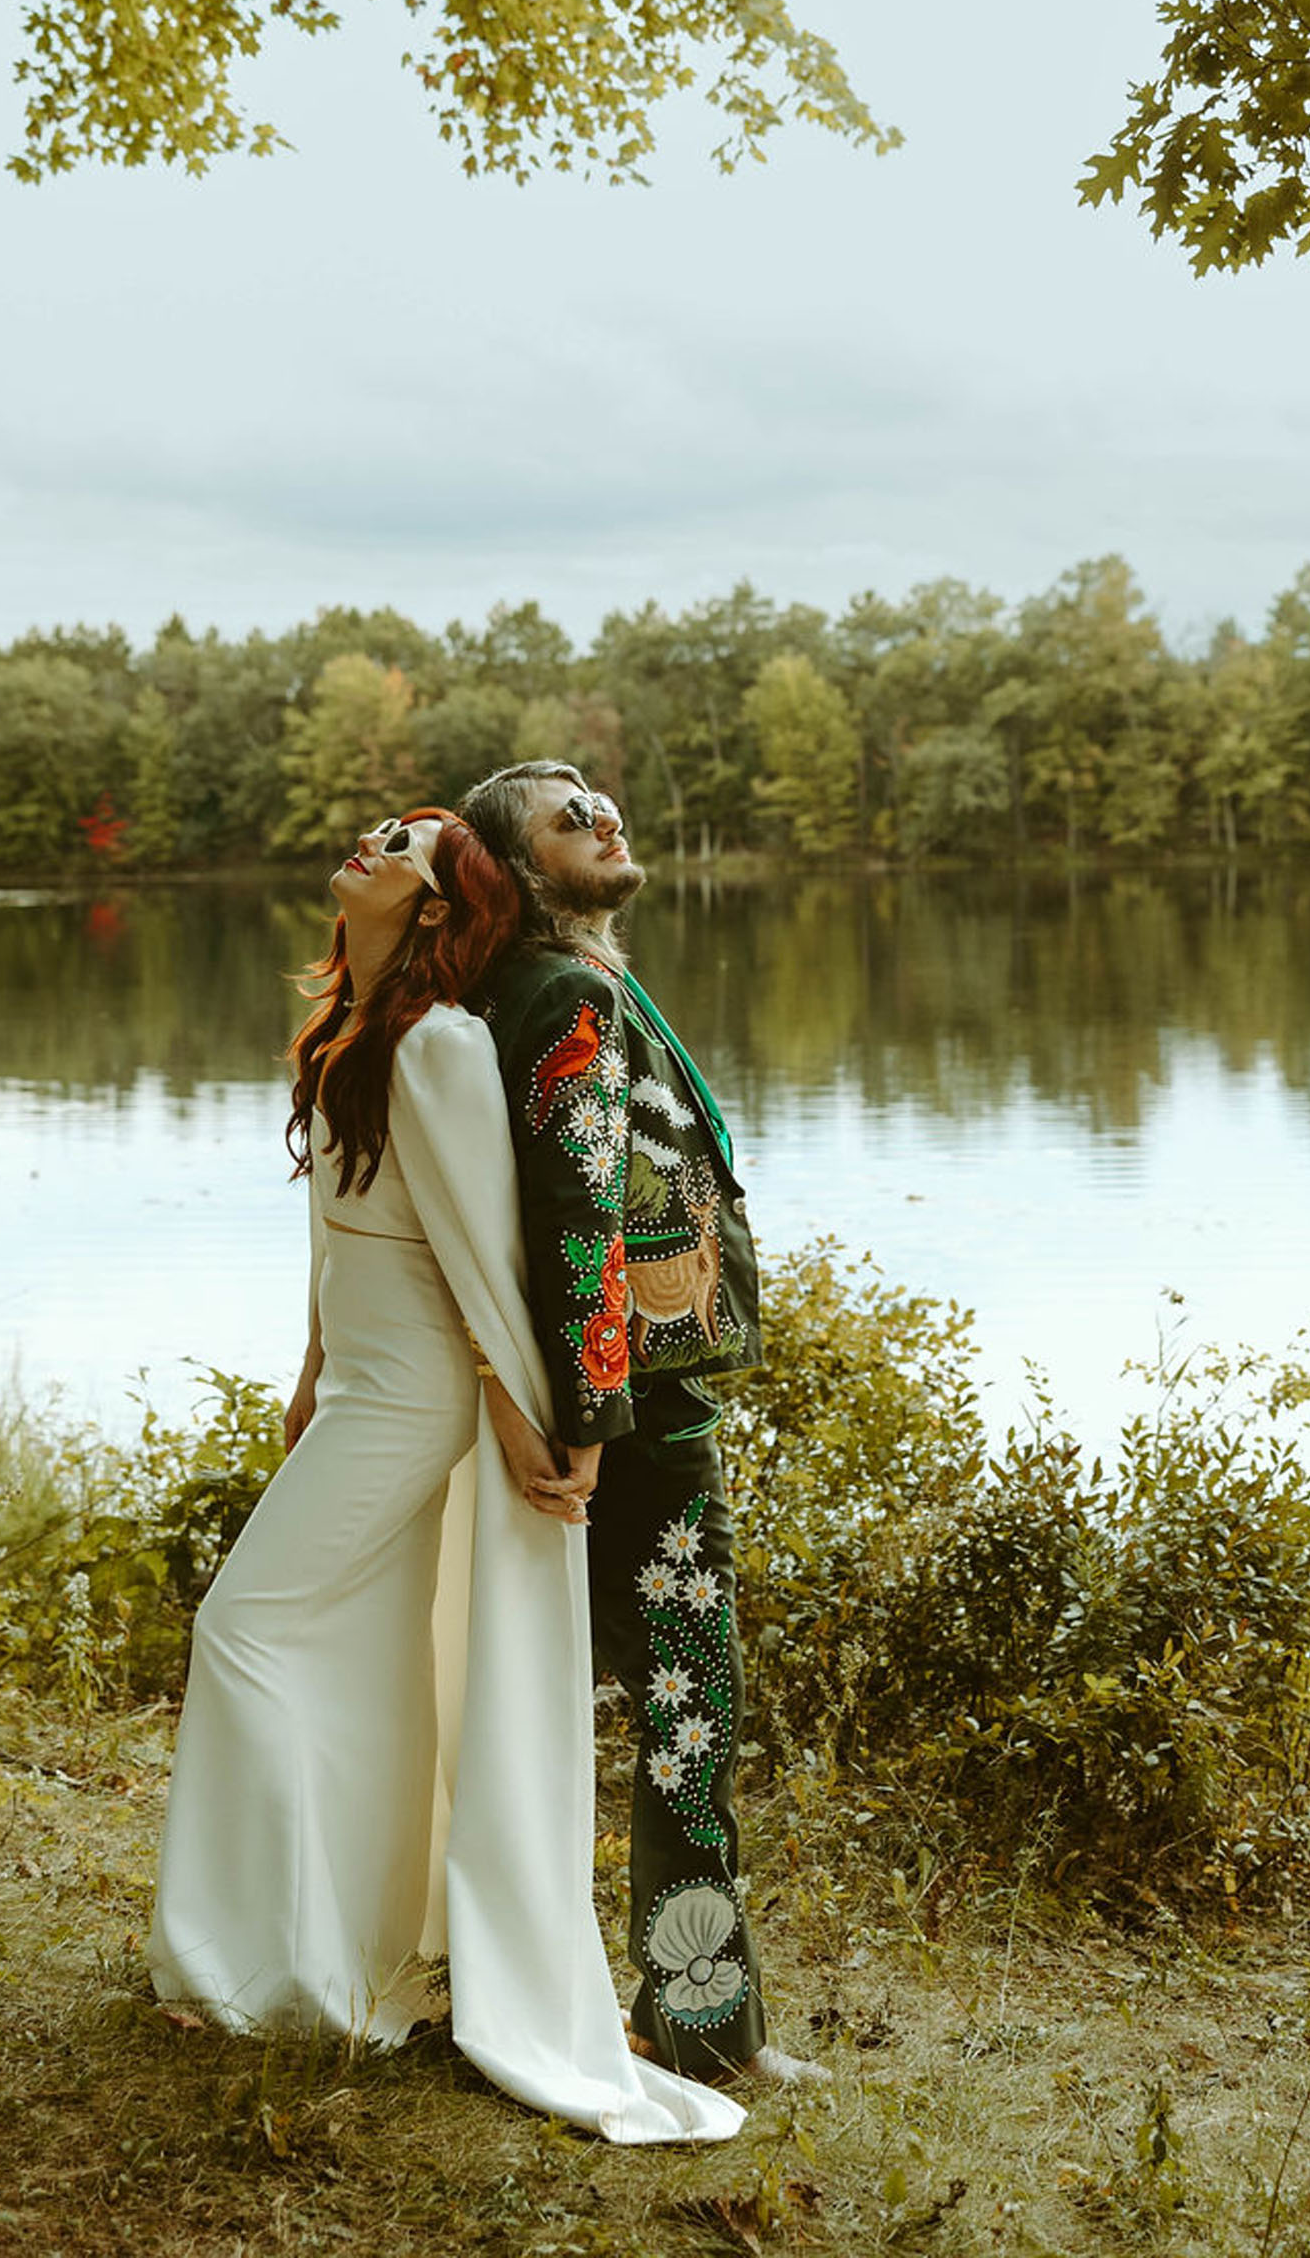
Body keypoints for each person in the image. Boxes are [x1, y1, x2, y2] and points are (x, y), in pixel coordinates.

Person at [145, 808, 742, 2145]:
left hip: (416, 1397)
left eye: (404, 843)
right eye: (374, 828)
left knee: (241, 1628)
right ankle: (331, 1953)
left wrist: (511, 1408)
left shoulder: (439, 1043)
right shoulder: (350, 1026)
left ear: (434, 907)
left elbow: (487, 1252)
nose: (370, 841)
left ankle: (248, 1966)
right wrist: (304, 1362)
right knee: (359, 1666)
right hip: (355, 1383)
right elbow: (343, 1225)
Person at [459, 760, 807, 2085]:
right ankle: (703, 2032)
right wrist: (596, 1414)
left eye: (599, 796)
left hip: (621, 1409)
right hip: (636, 1425)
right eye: (565, 816)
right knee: (689, 1709)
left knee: (588, 1709)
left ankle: (639, 2007)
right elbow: (577, 1209)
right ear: (522, 871)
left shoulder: (571, 978)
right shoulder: (564, 994)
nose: (603, 812)